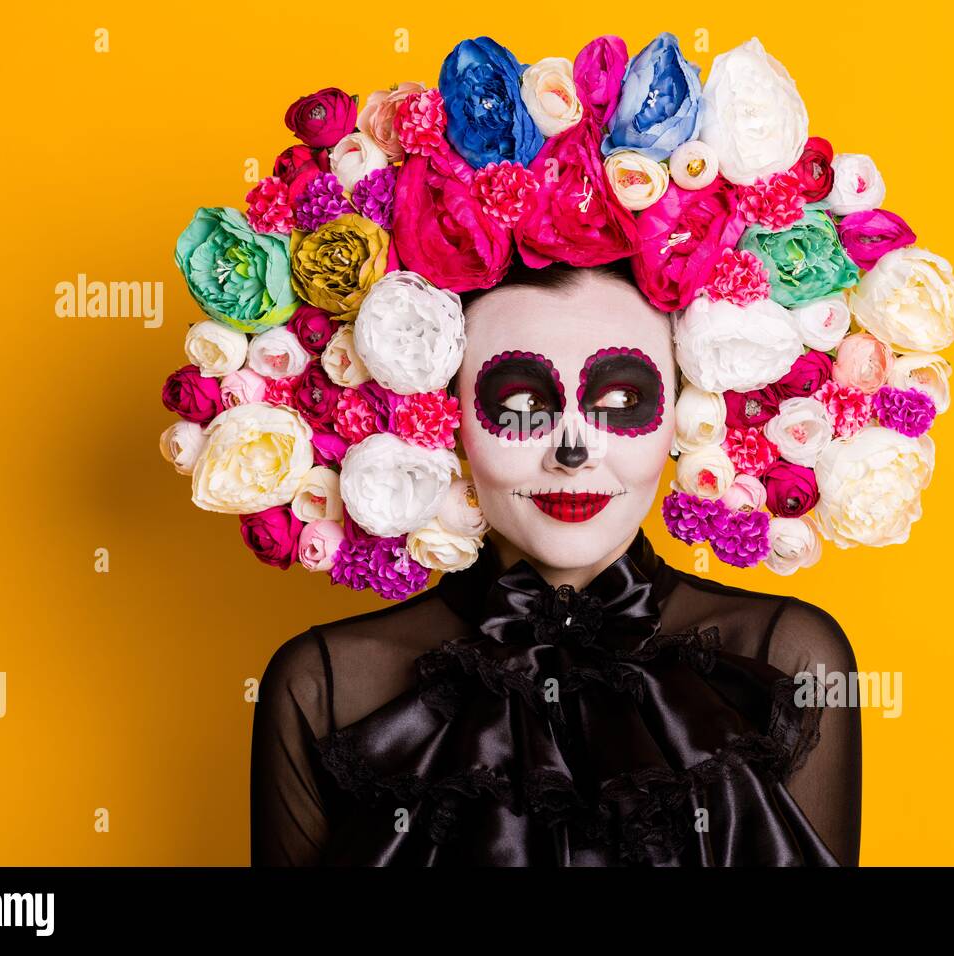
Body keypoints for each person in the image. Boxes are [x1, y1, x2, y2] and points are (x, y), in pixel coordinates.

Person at [250, 257, 862, 866]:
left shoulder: (785, 661)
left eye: (621, 397)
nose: (573, 451)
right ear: (445, 418)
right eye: (520, 405)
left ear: (684, 410)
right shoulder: (325, 684)